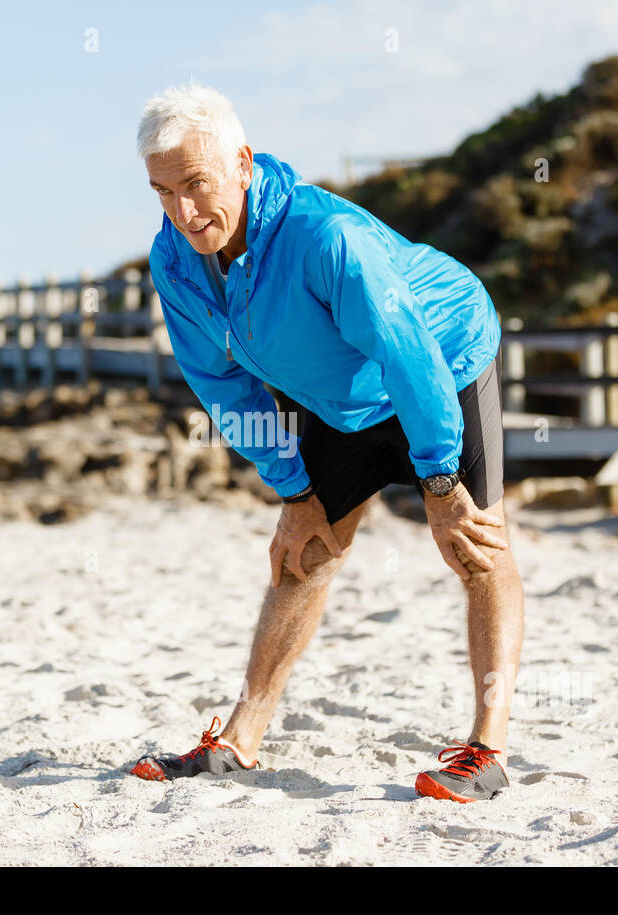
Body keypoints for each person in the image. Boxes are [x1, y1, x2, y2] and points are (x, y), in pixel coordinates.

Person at [130, 82, 525, 803]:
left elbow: (408, 356)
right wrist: (295, 489)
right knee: (301, 552)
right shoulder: (176, 261)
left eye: (196, 185)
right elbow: (222, 387)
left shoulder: (324, 237)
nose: (184, 213)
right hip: (343, 401)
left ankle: (486, 750)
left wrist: (438, 482)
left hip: (444, 359)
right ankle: (239, 741)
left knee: (474, 542)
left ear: (242, 163)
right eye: (163, 192)